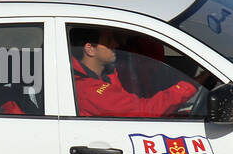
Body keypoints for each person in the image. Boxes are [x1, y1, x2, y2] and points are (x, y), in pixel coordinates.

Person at [70, 26, 198, 118]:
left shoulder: (108, 73)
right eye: (108, 41)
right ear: (90, 49)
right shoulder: (88, 90)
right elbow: (145, 111)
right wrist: (191, 85)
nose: (115, 44)